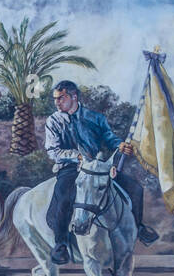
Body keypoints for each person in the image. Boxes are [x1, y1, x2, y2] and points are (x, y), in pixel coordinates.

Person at [44, 80, 159, 264]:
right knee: (63, 195)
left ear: (74, 97)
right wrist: (77, 157)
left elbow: (109, 138)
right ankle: (61, 244)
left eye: (61, 98)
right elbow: (53, 151)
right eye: (55, 99)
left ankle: (138, 228)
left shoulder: (95, 118)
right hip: (70, 168)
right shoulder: (53, 121)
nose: (57, 102)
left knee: (135, 189)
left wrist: (120, 145)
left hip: (97, 167)